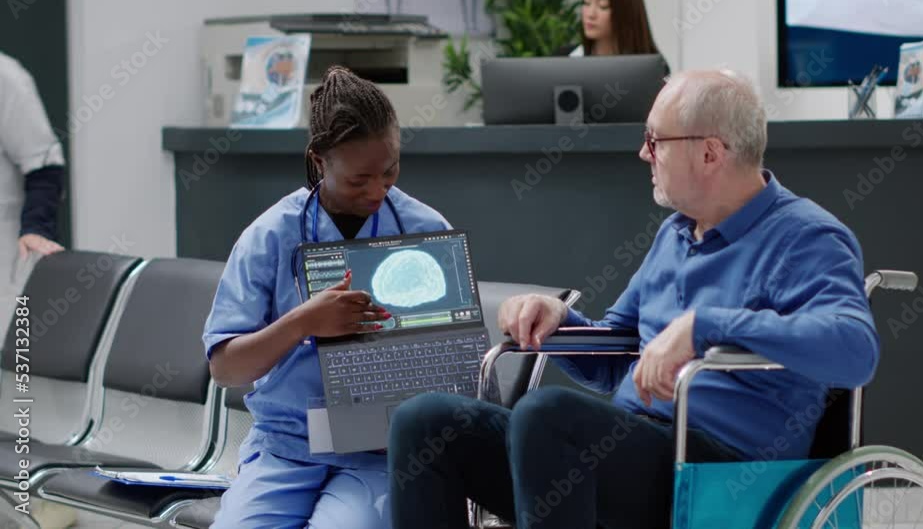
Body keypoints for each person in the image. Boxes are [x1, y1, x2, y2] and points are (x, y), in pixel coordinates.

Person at [388, 69, 879, 528]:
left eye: (655, 140)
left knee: (547, 416)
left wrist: (702, 327)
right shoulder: (676, 233)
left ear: (710, 153)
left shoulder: (806, 237)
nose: (643, 154)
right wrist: (559, 320)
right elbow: (616, 356)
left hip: (725, 469)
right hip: (635, 445)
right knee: (425, 422)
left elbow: (856, 351)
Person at [204, 66, 450, 528]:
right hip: (286, 448)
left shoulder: (425, 232)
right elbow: (225, 369)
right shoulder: (269, 237)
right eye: (360, 180)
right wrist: (301, 323)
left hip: (380, 453)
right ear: (319, 160)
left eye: (390, 169)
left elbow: (448, 368)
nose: (378, 190)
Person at [1, 52, 66, 338]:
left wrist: (37, 227)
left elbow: (44, 165)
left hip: (6, 258)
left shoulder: (7, 78)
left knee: (16, 372)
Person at [570, 0, 659, 57]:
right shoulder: (570, 59)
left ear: (627, 11)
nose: (590, 14)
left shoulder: (652, 66)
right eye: (587, 2)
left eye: (603, 6)